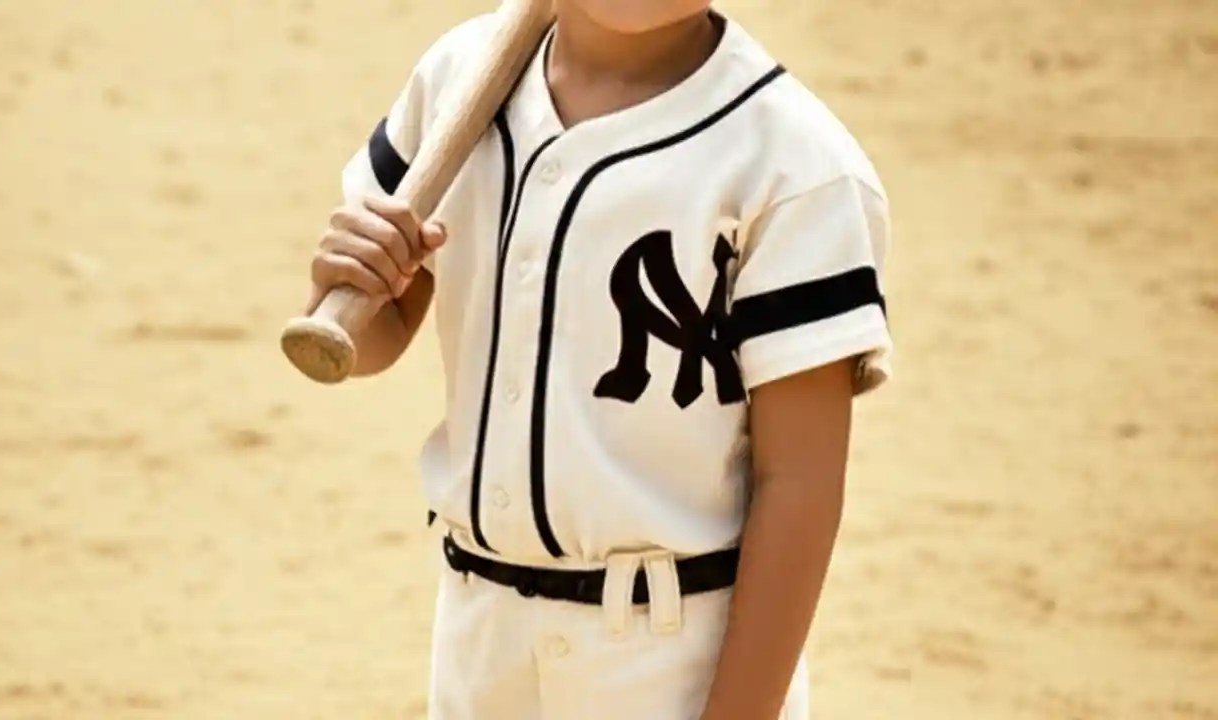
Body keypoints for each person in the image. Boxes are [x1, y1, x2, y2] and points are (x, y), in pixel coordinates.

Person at [303, 1, 894, 717]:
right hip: (478, 633)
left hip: (669, 654)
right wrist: (345, 280)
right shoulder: (459, 77)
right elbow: (371, 335)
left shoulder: (795, 165)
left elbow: (798, 483)